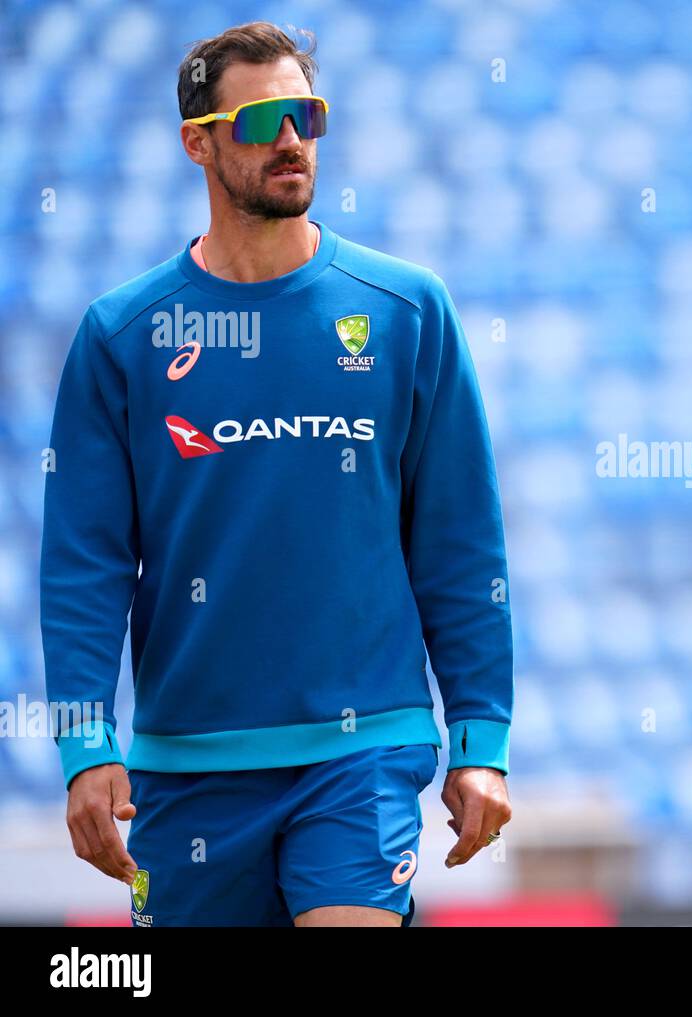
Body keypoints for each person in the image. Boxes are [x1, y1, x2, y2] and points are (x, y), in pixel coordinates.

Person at [40, 22, 514, 927]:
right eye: (261, 120)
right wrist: (84, 742)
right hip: (186, 764)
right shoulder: (122, 334)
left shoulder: (408, 310)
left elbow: (460, 546)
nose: (293, 138)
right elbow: (84, 565)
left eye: (306, 114)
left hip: (362, 749)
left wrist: (480, 739)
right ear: (198, 142)